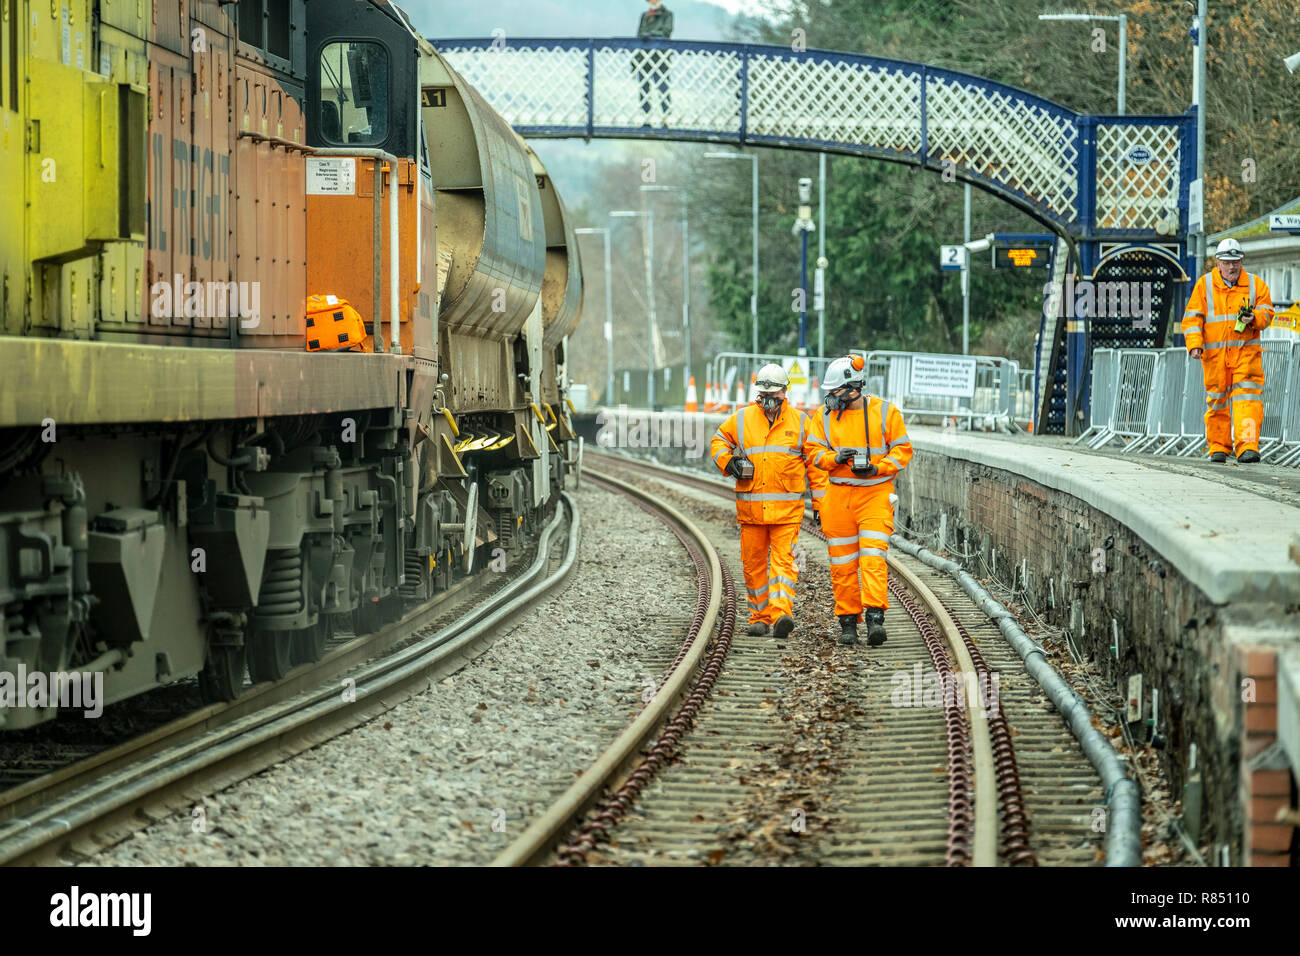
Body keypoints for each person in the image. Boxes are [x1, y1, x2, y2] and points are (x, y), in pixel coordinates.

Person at [710, 364, 826, 639]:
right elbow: (718, 441)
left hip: (787, 513)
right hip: (751, 511)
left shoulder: (800, 422)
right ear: (758, 393)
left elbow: (817, 468)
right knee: (753, 565)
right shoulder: (742, 419)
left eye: (774, 393)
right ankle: (759, 617)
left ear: (785, 392)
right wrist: (729, 462)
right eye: (764, 394)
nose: (768, 399)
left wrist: (821, 505)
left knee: (783, 564)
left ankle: (781, 614)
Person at [804, 354, 912, 646]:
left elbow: (902, 451)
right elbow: (812, 452)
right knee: (842, 563)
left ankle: (875, 617)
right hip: (838, 496)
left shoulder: (886, 413)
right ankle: (848, 623)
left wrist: (879, 467)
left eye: (836, 392)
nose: (831, 397)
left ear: (854, 388)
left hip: (875, 494)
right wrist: (833, 458)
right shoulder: (823, 417)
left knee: (873, 557)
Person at [1181, 237, 1274, 463]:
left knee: (1248, 400)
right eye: (1227, 262)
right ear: (1218, 262)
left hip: (1245, 355)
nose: (1232, 266)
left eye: (1236, 261)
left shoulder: (1255, 285)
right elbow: (1192, 318)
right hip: (1215, 358)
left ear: (1241, 261)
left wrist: (1255, 317)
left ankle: (1248, 447)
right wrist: (1194, 345)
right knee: (1217, 401)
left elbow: (1268, 312)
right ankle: (1219, 447)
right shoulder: (1204, 285)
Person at [633, 0, 673, 127]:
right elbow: (639, 35)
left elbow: (666, 32)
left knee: (663, 89)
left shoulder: (667, 15)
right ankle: (646, 118)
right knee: (644, 90)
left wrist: (650, 35)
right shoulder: (644, 15)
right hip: (644, 57)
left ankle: (666, 118)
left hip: (660, 57)